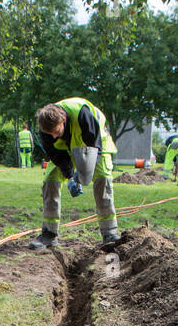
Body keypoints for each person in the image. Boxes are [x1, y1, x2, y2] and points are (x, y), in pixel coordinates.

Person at [30, 98, 120, 251]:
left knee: (102, 181)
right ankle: (49, 234)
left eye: (56, 132)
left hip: (96, 145)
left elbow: (94, 145)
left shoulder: (83, 115)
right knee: (50, 180)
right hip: (66, 150)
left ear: (63, 120)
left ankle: (110, 234)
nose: (54, 137)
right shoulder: (46, 129)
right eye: (50, 134)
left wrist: (84, 169)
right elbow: (57, 156)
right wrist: (71, 176)